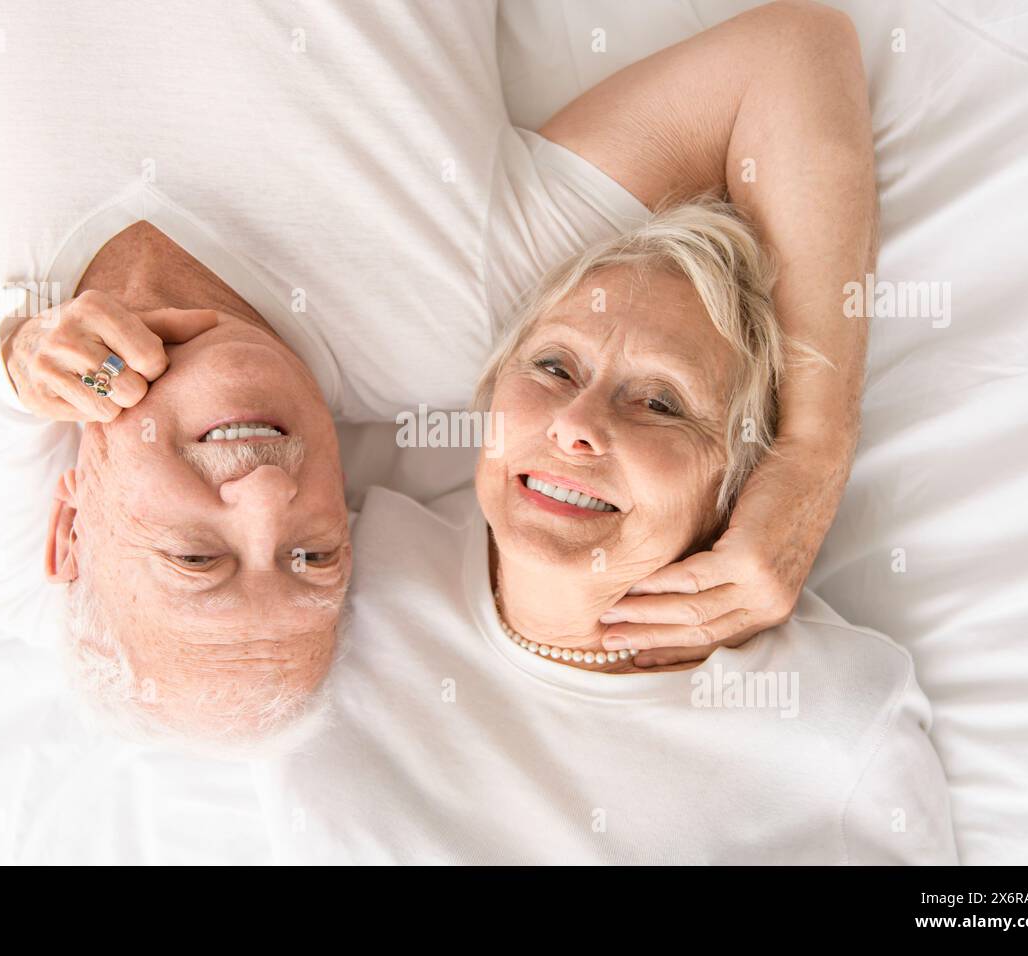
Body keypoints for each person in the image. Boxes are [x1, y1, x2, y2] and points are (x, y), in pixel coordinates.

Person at [0, 1, 877, 750]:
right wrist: (812, 449)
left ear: (69, 520)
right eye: (313, 551)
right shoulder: (454, 317)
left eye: (197, 556)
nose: (269, 494)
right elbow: (792, 58)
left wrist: (11, 359)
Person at [251, 200, 958, 863]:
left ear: (741, 484)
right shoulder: (341, 572)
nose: (577, 424)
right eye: (554, 367)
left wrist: (814, 449)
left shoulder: (835, 716)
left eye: (659, 402)